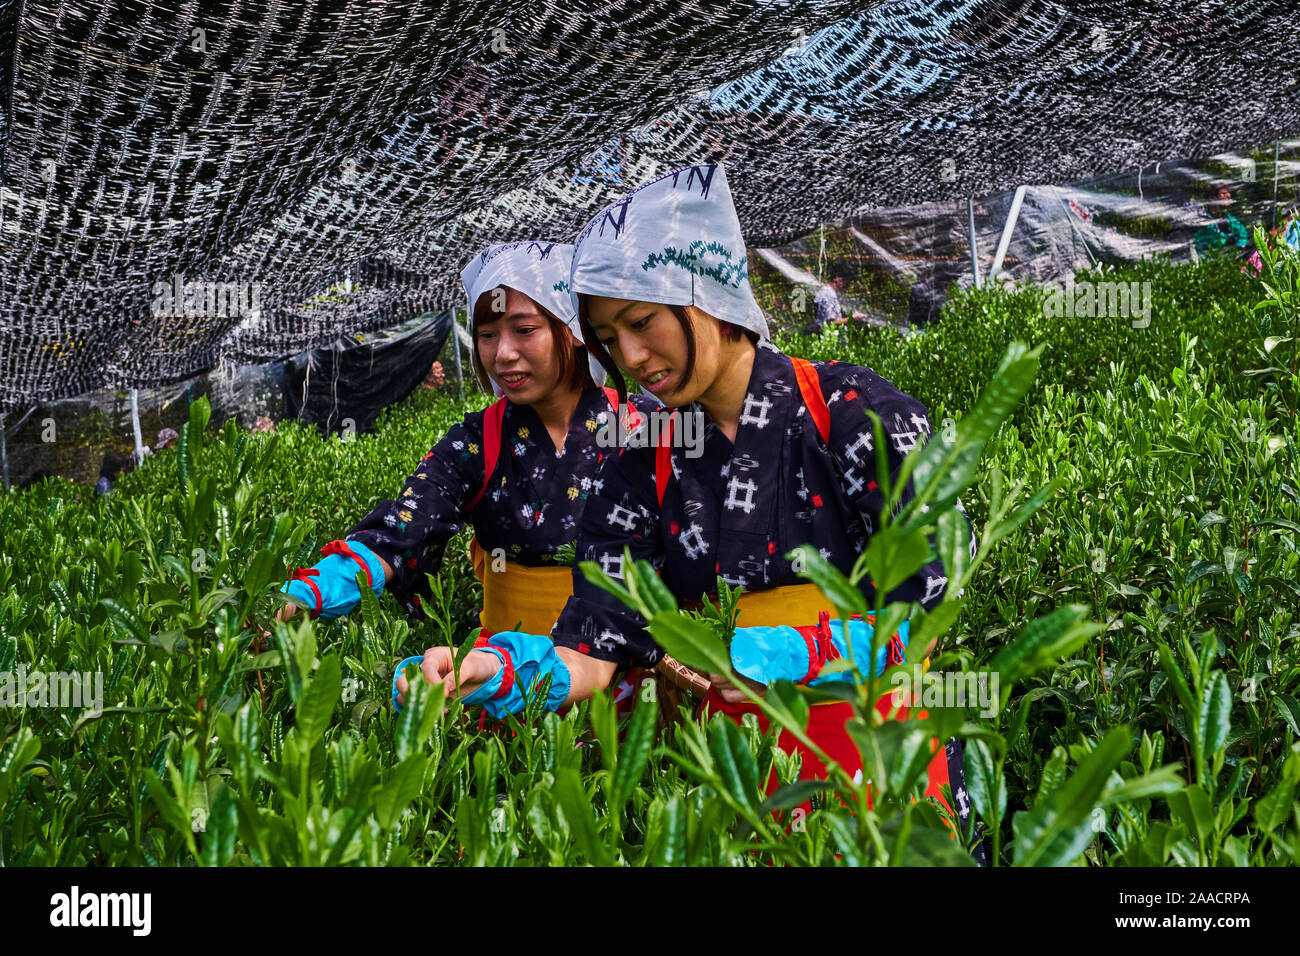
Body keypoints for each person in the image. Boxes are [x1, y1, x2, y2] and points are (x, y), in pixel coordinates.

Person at [401, 165, 982, 855]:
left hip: (879, 773)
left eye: (642, 322)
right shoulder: (644, 454)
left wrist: (779, 653)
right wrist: (500, 670)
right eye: (611, 339)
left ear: (705, 292)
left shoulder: (852, 415)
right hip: (733, 791)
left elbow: (923, 614)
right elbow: (595, 641)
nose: (634, 356)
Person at [279, 241, 659, 656]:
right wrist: (319, 587)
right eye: (487, 335)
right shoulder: (479, 438)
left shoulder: (646, 423)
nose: (503, 354)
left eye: (525, 330)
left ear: (573, 332)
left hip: (630, 668)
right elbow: (410, 521)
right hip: (508, 675)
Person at [809, 260, 868, 333]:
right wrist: (852, 319)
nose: (848, 284)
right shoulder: (828, 294)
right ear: (837, 278)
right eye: (847, 280)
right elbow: (829, 323)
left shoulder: (829, 293)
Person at [1193, 184, 1250, 257]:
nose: (1229, 195)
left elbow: (1243, 235)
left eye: (1228, 192)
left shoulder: (1230, 219)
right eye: (1223, 193)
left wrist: (1240, 246)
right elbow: (1206, 246)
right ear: (1212, 198)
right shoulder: (1204, 222)